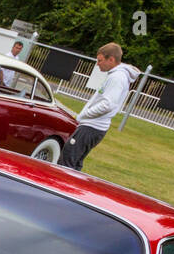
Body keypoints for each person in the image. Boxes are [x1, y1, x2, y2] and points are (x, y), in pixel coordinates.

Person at [58, 42, 141, 171]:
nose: (98, 64)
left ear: (111, 59)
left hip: (92, 126)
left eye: (100, 60)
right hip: (93, 126)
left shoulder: (117, 78)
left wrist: (84, 115)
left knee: (67, 161)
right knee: (74, 163)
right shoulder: (116, 76)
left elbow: (107, 105)